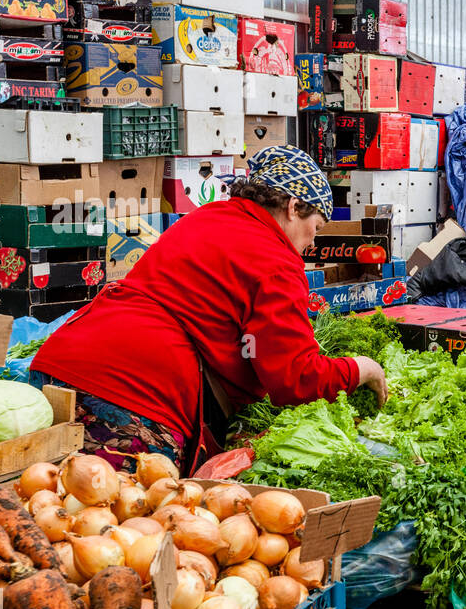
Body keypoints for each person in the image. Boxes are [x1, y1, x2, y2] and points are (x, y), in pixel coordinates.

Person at [32, 146, 389, 472]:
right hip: (129, 399)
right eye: (316, 227)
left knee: (50, 501)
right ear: (294, 207)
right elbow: (296, 379)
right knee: (117, 524)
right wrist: (363, 368)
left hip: (56, 369)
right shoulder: (276, 259)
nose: (311, 243)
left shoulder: (208, 216)